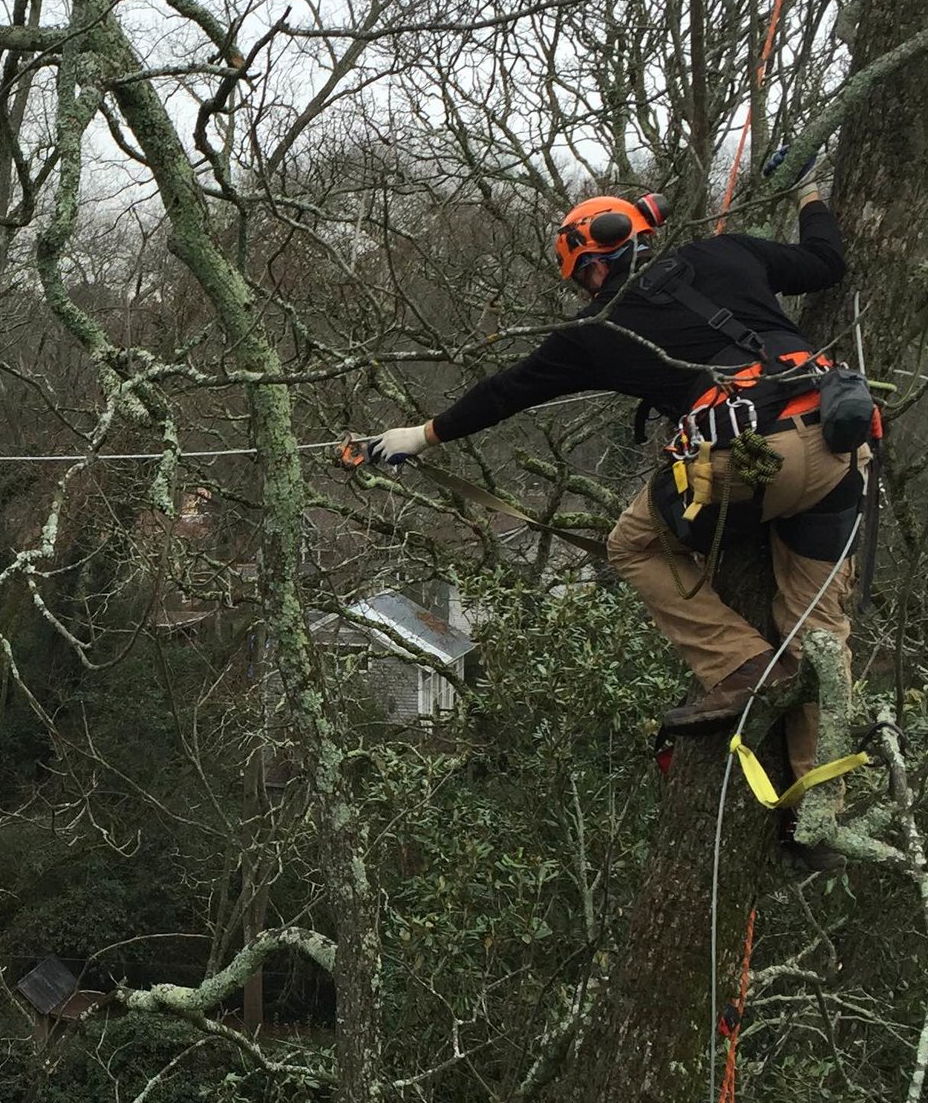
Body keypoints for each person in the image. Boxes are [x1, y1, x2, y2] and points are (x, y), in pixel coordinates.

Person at [357, 175, 871, 769]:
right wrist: (809, 196)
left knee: (632, 545)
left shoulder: (598, 329)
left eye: (582, 279)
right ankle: (820, 798)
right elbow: (825, 262)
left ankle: (744, 665)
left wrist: (421, 435)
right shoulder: (726, 251)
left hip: (747, 460)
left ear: (595, 266)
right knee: (818, 632)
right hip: (837, 445)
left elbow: (506, 391)